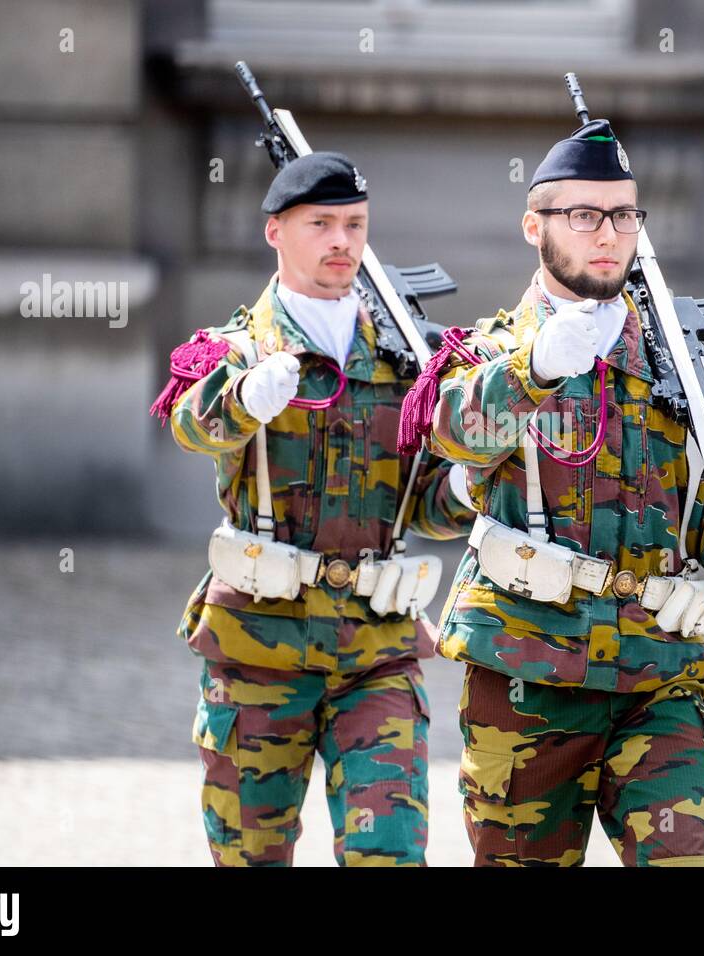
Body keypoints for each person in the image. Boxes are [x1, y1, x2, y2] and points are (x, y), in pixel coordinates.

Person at [401, 119, 704, 866]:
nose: (608, 233)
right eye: (584, 215)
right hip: (527, 674)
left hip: (659, 677)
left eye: (624, 214)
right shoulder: (494, 352)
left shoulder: (678, 364)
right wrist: (537, 370)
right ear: (535, 226)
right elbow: (451, 434)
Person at [153, 151, 475, 866]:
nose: (341, 242)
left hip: (377, 653)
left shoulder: (406, 360)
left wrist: (458, 493)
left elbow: (420, 506)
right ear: (275, 232)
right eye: (321, 223)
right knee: (251, 854)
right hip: (257, 653)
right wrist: (241, 399)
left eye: (355, 224)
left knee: (389, 853)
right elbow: (187, 425)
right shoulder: (235, 350)